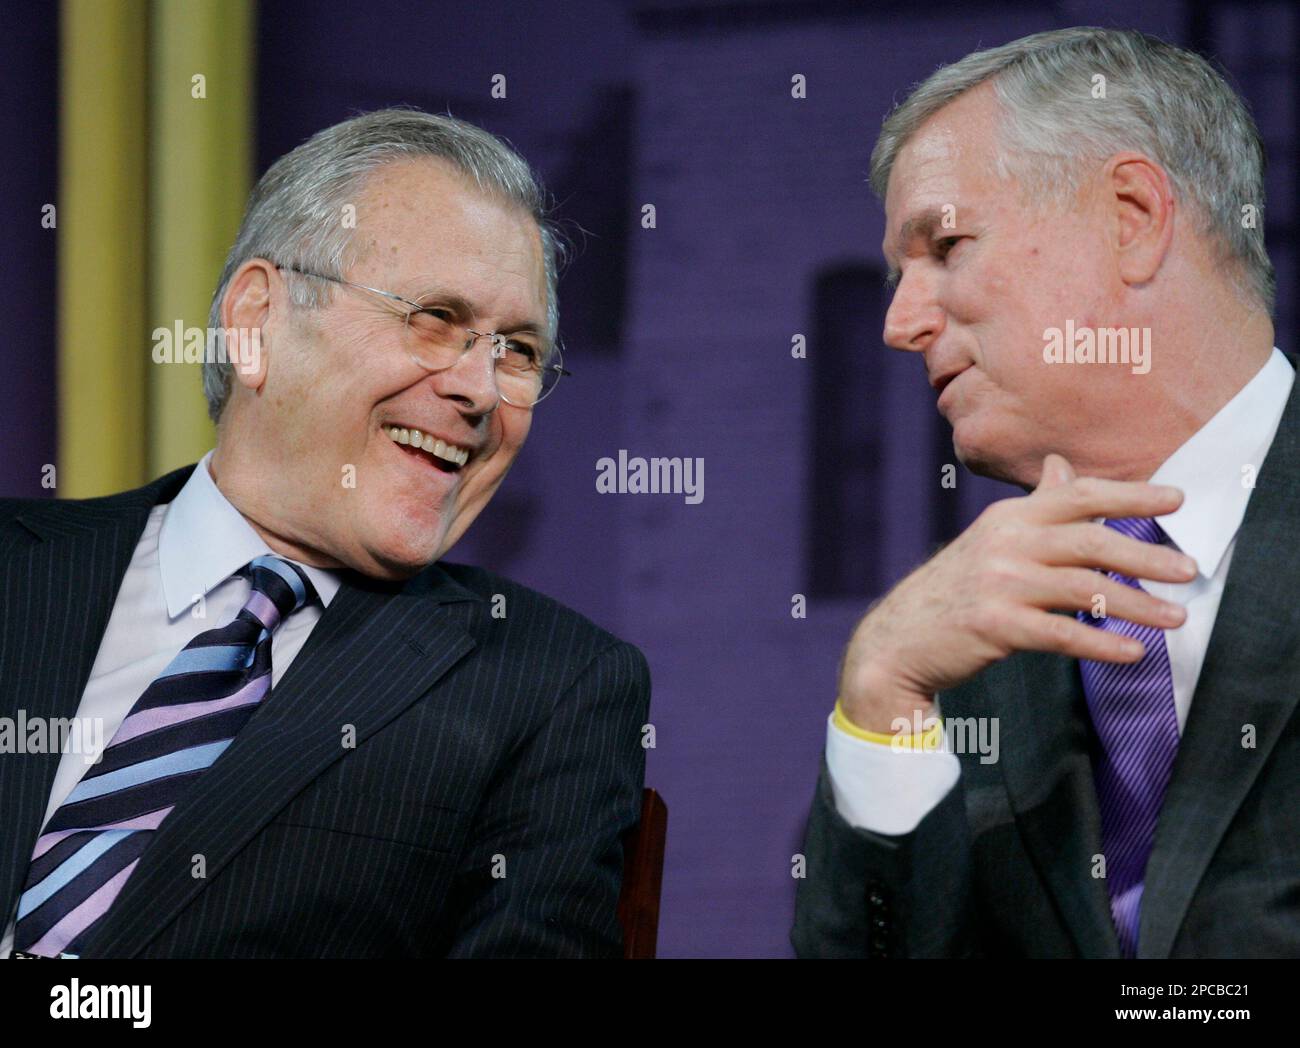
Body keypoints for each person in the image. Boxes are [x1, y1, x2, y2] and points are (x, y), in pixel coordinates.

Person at [0, 108, 650, 959]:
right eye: (435, 319)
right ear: (258, 321)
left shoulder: (551, 687)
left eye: (519, 351)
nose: (481, 391)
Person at [793, 27, 1299, 958]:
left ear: (1133, 218)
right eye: (897, 275)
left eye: (946, 245)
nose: (901, 323)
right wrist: (882, 695)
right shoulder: (958, 649)